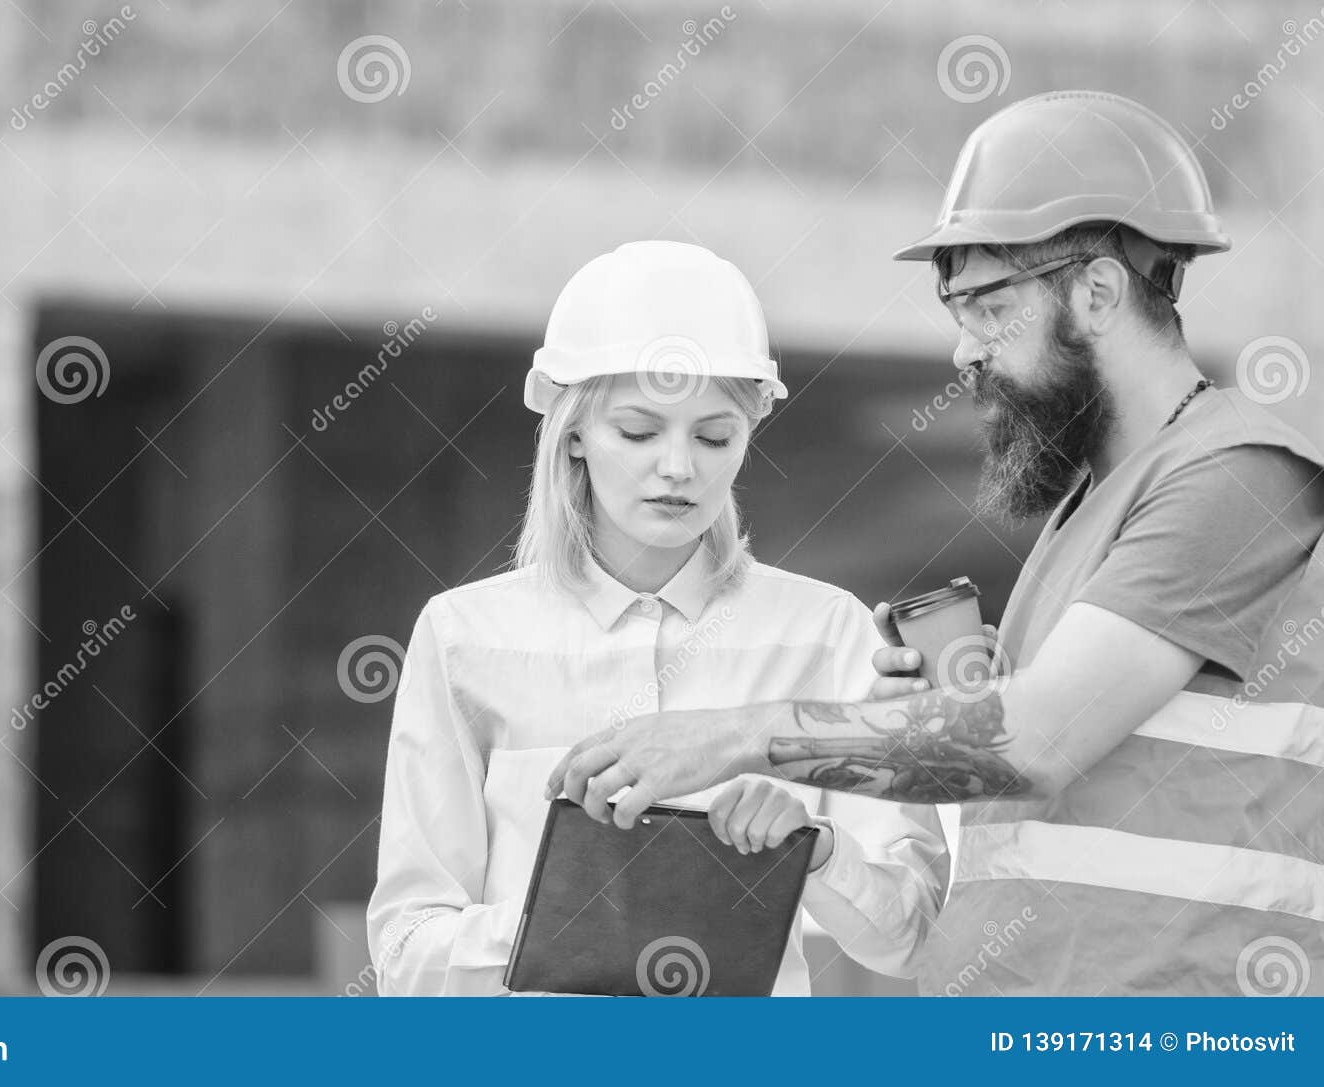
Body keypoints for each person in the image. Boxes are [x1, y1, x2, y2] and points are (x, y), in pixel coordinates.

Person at [547, 91, 1324, 996]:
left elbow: (1038, 738)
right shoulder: (1094, 504)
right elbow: (1039, 752)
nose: (963, 351)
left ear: (1098, 292)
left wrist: (735, 735)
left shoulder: (1235, 475)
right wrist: (951, 707)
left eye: (989, 306)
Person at [367, 240, 948, 996]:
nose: (679, 467)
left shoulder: (828, 633)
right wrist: (570, 922)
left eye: (714, 436)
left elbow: (911, 938)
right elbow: (405, 950)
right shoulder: (465, 638)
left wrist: (814, 850)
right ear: (573, 433)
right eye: (639, 431)